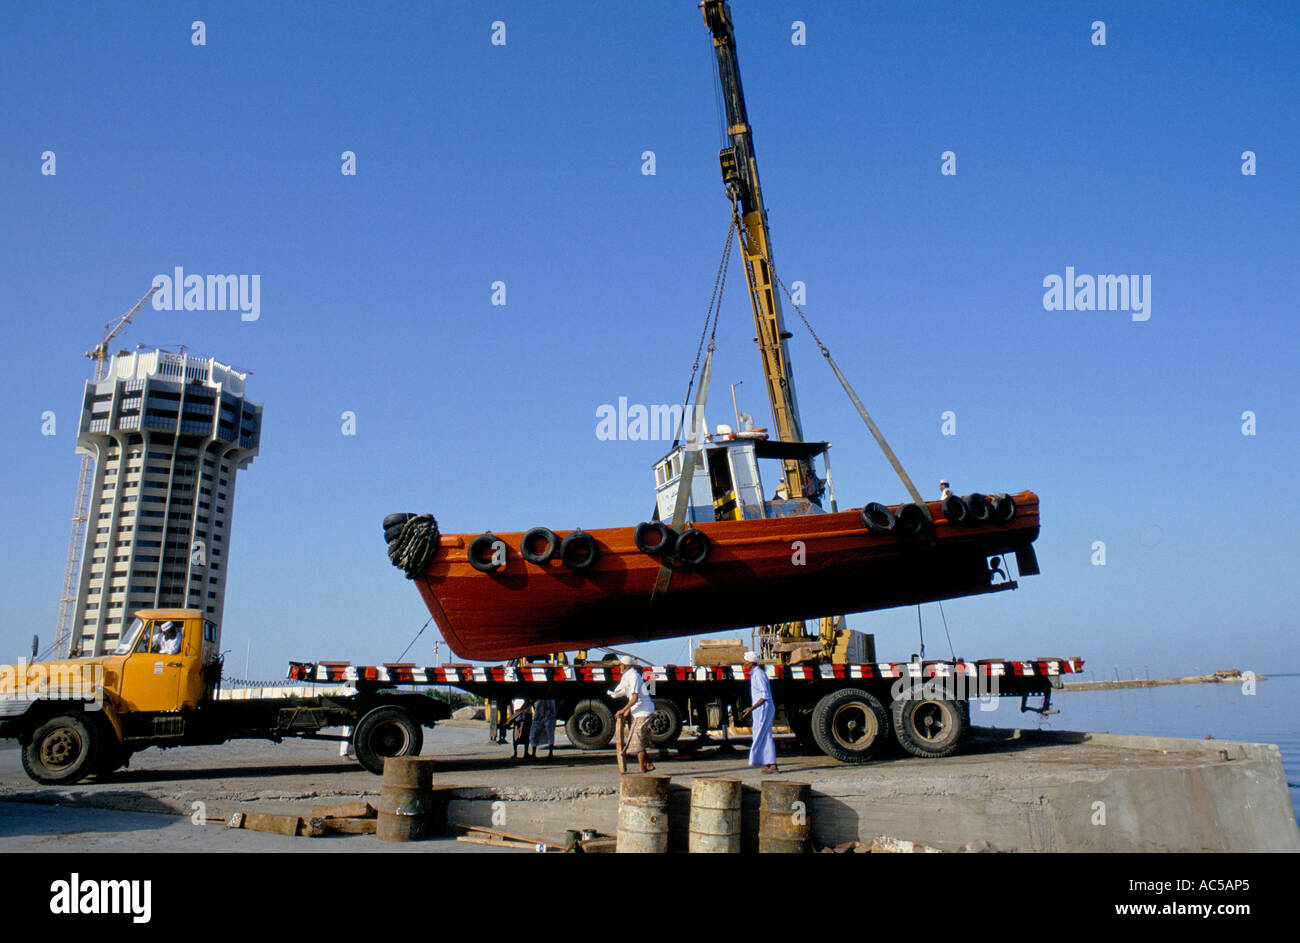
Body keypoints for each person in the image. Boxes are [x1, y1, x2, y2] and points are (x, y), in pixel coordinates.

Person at [612, 655, 655, 774]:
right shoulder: (627, 676)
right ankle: (648, 764)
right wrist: (627, 711)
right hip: (638, 712)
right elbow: (632, 696)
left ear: (625, 666)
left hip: (644, 712)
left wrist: (623, 709)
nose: (619, 667)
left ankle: (642, 769)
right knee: (636, 739)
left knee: (638, 740)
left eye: (621, 665)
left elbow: (635, 698)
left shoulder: (634, 676)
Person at [740, 651, 777, 773]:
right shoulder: (755, 674)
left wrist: (751, 708)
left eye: (746, 661)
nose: (744, 663)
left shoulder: (759, 675)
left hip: (763, 709)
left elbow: (764, 696)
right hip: (760, 709)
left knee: (763, 735)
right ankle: (768, 764)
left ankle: (772, 765)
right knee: (763, 735)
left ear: (750, 662)